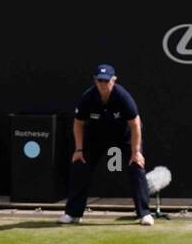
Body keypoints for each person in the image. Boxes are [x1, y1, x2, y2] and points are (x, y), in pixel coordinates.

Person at [59, 64, 152, 226]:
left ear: (113, 80)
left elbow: (135, 124)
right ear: (95, 81)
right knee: (79, 165)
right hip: (96, 136)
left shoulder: (123, 96)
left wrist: (136, 152)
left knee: (136, 166)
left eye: (106, 80)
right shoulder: (88, 97)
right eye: (99, 80)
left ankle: (144, 213)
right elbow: (78, 123)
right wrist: (79, 150)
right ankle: (72, 213)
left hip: (124, 136)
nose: (102, 84)